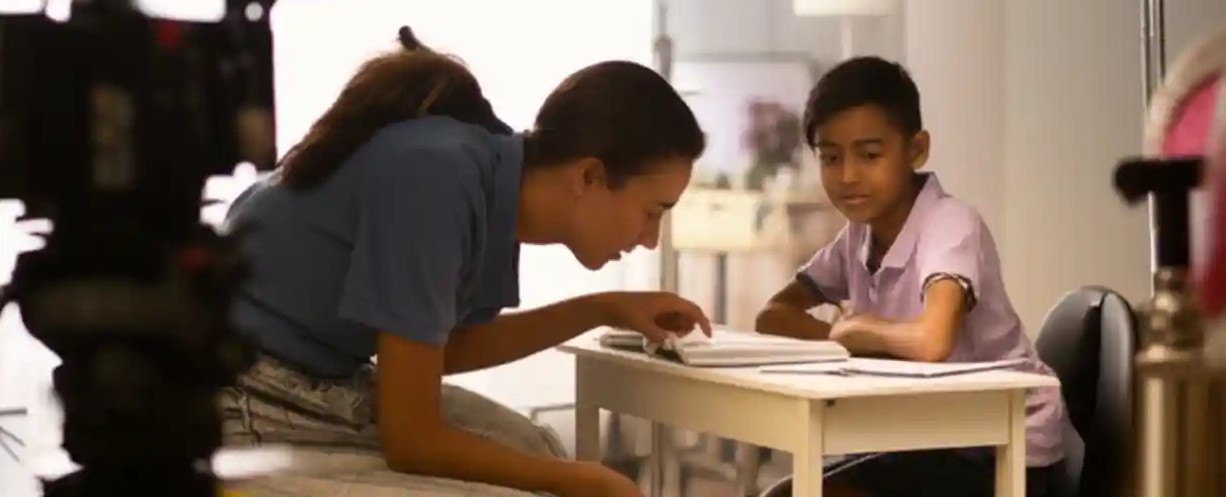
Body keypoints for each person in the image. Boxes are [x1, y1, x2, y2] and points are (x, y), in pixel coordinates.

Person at [220, 28, 711, 497]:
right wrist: (577, 480)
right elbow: (412, 438)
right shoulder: (439, 177)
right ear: (589, 176)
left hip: (319, 379)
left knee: (534, 448)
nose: (650, 240)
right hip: (240, 395)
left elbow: (438, 348)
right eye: (652, 213)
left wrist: (604, 308)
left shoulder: (489, 174)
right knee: (549, 482)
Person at [754, 57, 1069, 497]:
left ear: (916, 150)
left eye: (870, 155)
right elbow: (773, 315)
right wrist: (837, 337)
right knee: (786, 494)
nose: (847, 176)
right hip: (929, 434)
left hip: (1004, 451)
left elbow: (932, 341)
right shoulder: (856, 238)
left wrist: (860, 329)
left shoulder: (949, 225)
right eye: (830, 158)